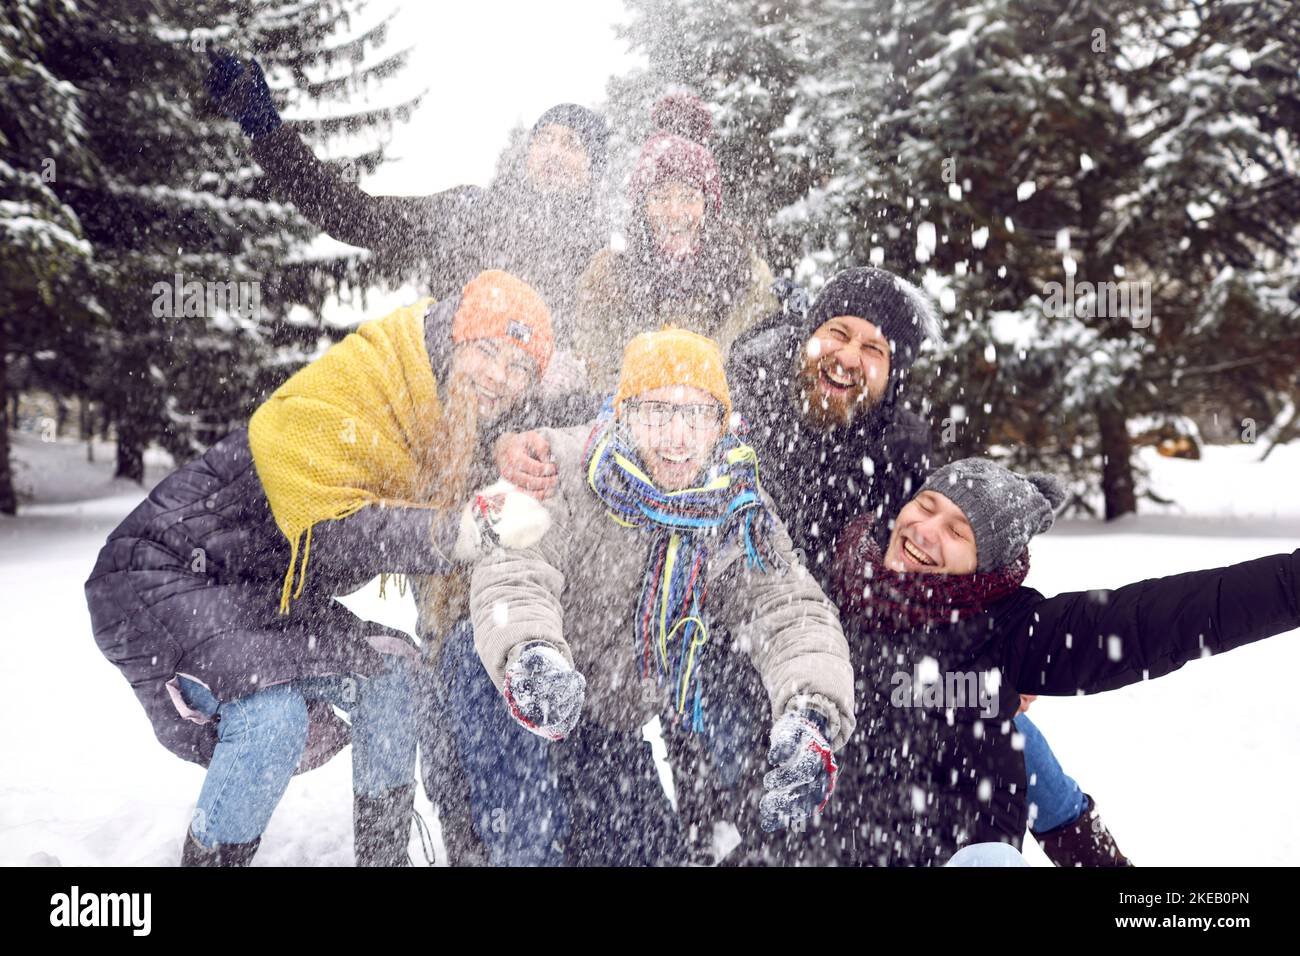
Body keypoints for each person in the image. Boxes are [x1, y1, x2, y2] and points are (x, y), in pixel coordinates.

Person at [84, 270, 555, 865]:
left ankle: (383, 859)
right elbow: (332, 535)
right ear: (452, 341)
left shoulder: (439, 418)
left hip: (260, 593)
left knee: (392, 672)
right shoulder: (368, 380)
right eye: (488, 351)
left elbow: (557, 416)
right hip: (159, 571)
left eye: (520, 368)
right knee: (272, 717)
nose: (499, 376)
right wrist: (457, 531)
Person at [712, 266, 1128, 865]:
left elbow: (937, 574)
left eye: (873, 348)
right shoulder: (739, 405)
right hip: (739, 639)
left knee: (994, 716)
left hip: (861, 644)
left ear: (892, 372)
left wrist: (1004, 651)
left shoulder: (899, 451)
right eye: (838, 331)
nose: (849, 356)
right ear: (808, 333)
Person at [763, 457, 1299, 865]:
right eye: (927, 507)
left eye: (959, 532)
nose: (927, 532)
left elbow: (1151, 620)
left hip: (963, 848)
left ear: (982, 567)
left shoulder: (1011, 631)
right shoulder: (820, 594)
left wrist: (1290, 587)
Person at [463, 327, 857, 864]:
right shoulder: (561, 466)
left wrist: (810, 712)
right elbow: (514, 567)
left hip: (607, 711)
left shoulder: (734, 508)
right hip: (515, 684)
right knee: (533, 840)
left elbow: (789, 608)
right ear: (624, 415)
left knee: (647, 852)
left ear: (720, 426)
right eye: (656, 412)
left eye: (697, 416)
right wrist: (532, 656)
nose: (677, 436)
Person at [205, 53, 608, 385]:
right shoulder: (468, 211)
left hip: (538, 443)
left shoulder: (604, 262)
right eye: (546, 139)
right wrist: (268, 131)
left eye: (571, 144)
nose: (554, 152)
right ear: (529, 152)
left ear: (593, 169)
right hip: (437, 413)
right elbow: (353, 215)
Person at [570, 95, 778, 393]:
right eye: (660, 197)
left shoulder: (747, 276)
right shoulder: (608, 276)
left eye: (689, 197)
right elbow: (597, 373)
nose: (674, 213)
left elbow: (756, 372)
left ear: (709, 207)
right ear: (641, 207)